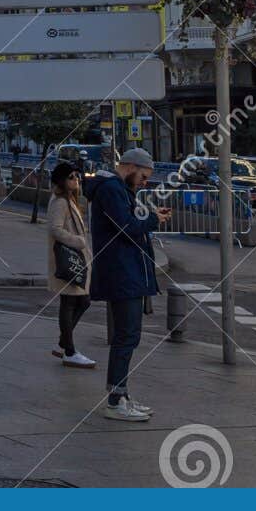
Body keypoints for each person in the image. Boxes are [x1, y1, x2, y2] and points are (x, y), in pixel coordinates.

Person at [85, 147, 169, 420]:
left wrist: (151, 216)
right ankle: (116, 400)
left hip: (127, 272)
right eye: (143, 177)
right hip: (123, 273)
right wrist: (154, 220)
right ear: (131, 167)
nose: (144, 183)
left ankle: (121, 394)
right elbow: (126, 226)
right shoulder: (111, 189)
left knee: (129, 337)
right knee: (126, 337)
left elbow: (129, 222)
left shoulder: (119, 189)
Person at [46, 161, 93, 366]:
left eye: (77, 176)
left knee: (79, 301)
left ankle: (63, 344)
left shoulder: (68, 199)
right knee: (72, 302)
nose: (76, 179)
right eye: (72, 176)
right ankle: (69, 351)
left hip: (72, 258)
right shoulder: (60, 202)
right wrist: (79, 241)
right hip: (67, 259)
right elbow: (55, 229)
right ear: (62, 181)